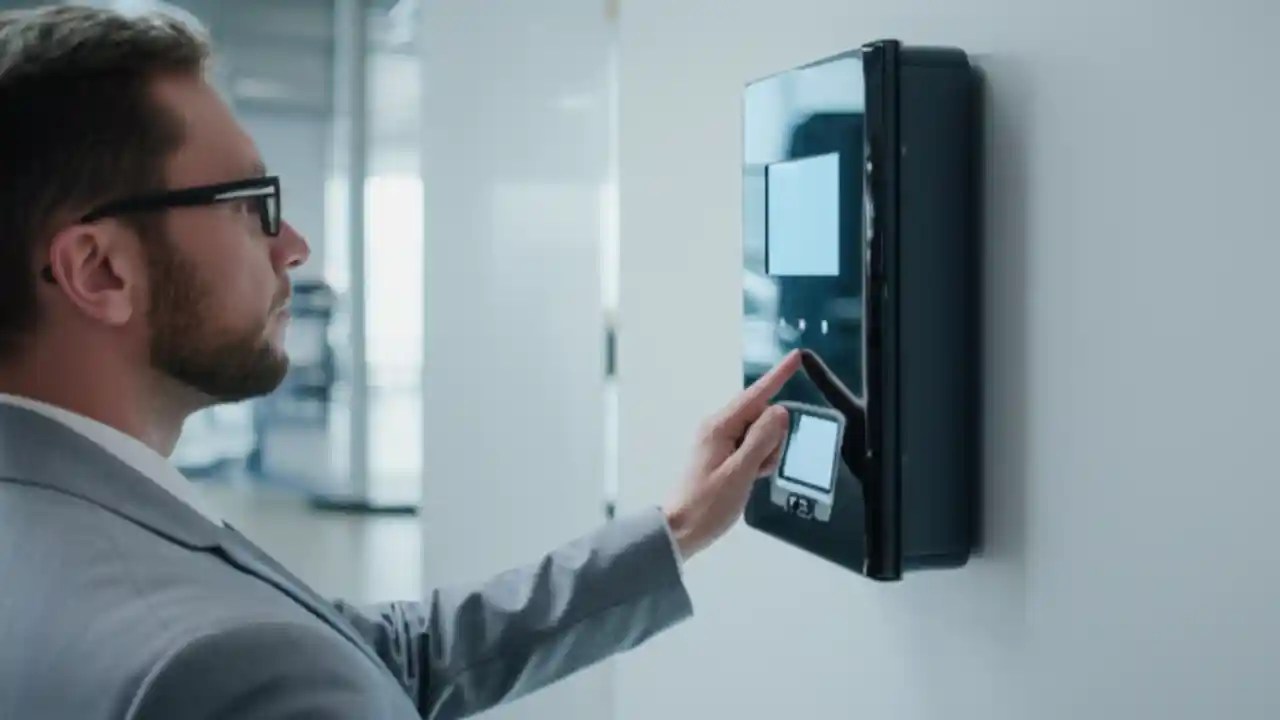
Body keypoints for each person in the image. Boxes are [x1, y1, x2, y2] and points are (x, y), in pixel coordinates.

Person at [0, 6, 800, 719]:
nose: (294, 246)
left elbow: (379, 659)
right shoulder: (227, 664)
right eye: (251, 205)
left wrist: (679, 530)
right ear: (100, 271)